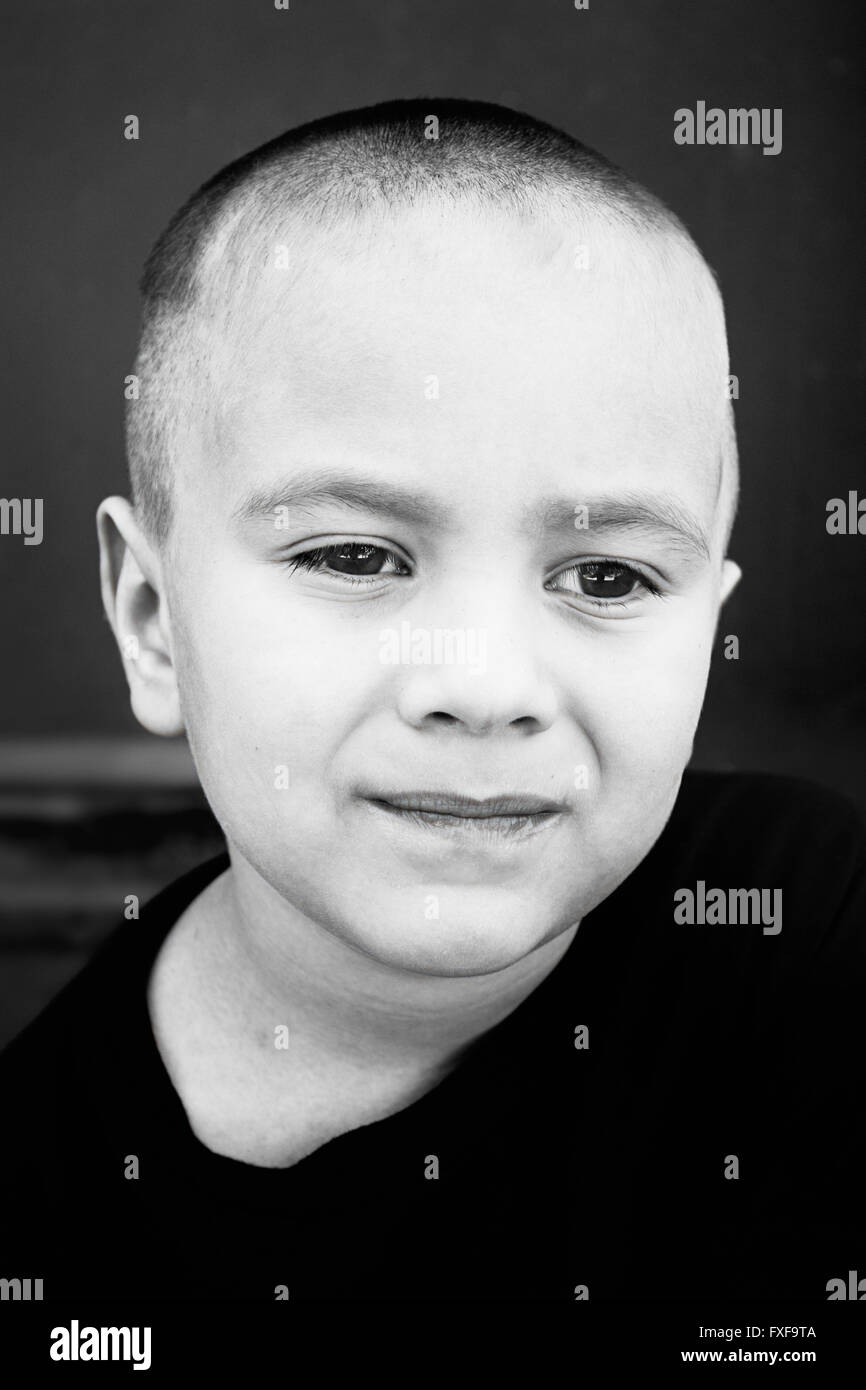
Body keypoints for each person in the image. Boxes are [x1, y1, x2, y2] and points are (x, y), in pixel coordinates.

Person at [1, 98, 863, 1303]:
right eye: (354, 558)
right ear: (151, 619)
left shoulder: (816, 929)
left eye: (607, 576)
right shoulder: (41, 1224)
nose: (484, 686)